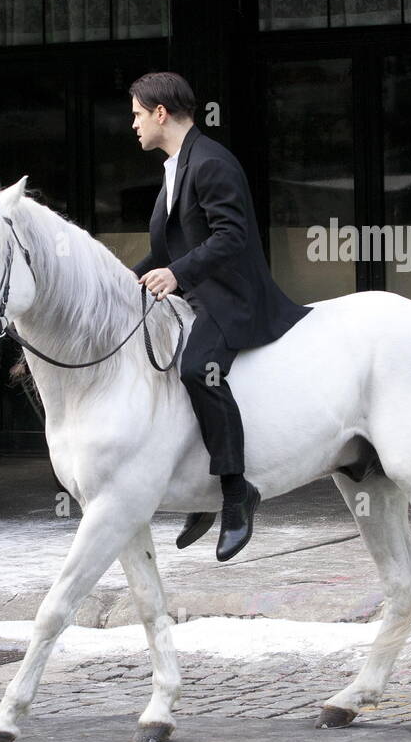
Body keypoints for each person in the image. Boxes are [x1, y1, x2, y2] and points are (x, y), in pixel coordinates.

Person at [129, 72, 311, 561]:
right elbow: (165, 248)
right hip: (197, 293)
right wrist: (122, 285)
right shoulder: (175, 166)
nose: (133, 124)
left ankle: (235, 491)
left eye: (137, 114)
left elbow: (230, 237)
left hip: (233, 297)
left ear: (161, 113)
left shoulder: (211, 162)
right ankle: (205, 495)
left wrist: (176, 274)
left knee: (195, 369)